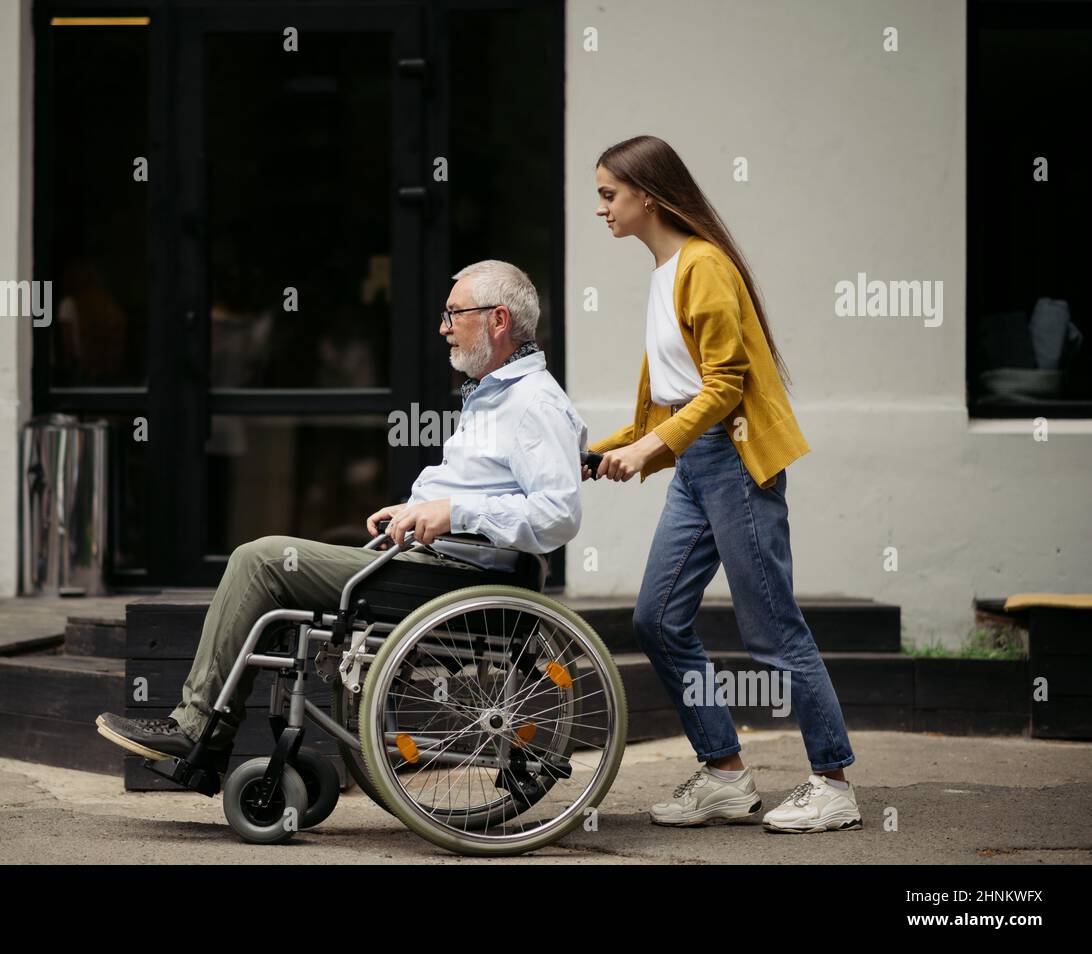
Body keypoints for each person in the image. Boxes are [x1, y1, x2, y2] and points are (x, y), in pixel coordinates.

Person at [96, 260, 587, 766]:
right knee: (270, 571)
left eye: (454, 314)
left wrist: (453, 512)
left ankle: (198, 730)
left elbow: (558, 515)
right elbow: (487, 490)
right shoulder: (498, 396)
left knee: (260, 561)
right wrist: (420, 508)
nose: (444, 328)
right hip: (444, 567)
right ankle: (210, 738)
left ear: (498, 320)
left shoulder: (533, 404)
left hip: (459, 579)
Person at [588, 135, 860, 833]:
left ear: (648, 194)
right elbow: (669, 404)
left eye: (608, 195)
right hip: (697, 462)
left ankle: (833, 785)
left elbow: (725, 385)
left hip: (735, 460)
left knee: (772, 628)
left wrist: (654, 444)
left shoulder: (702, 265)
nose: (601, 209)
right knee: (657, 617)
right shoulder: (665, 271)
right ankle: (726, 776)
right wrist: (599, 450)